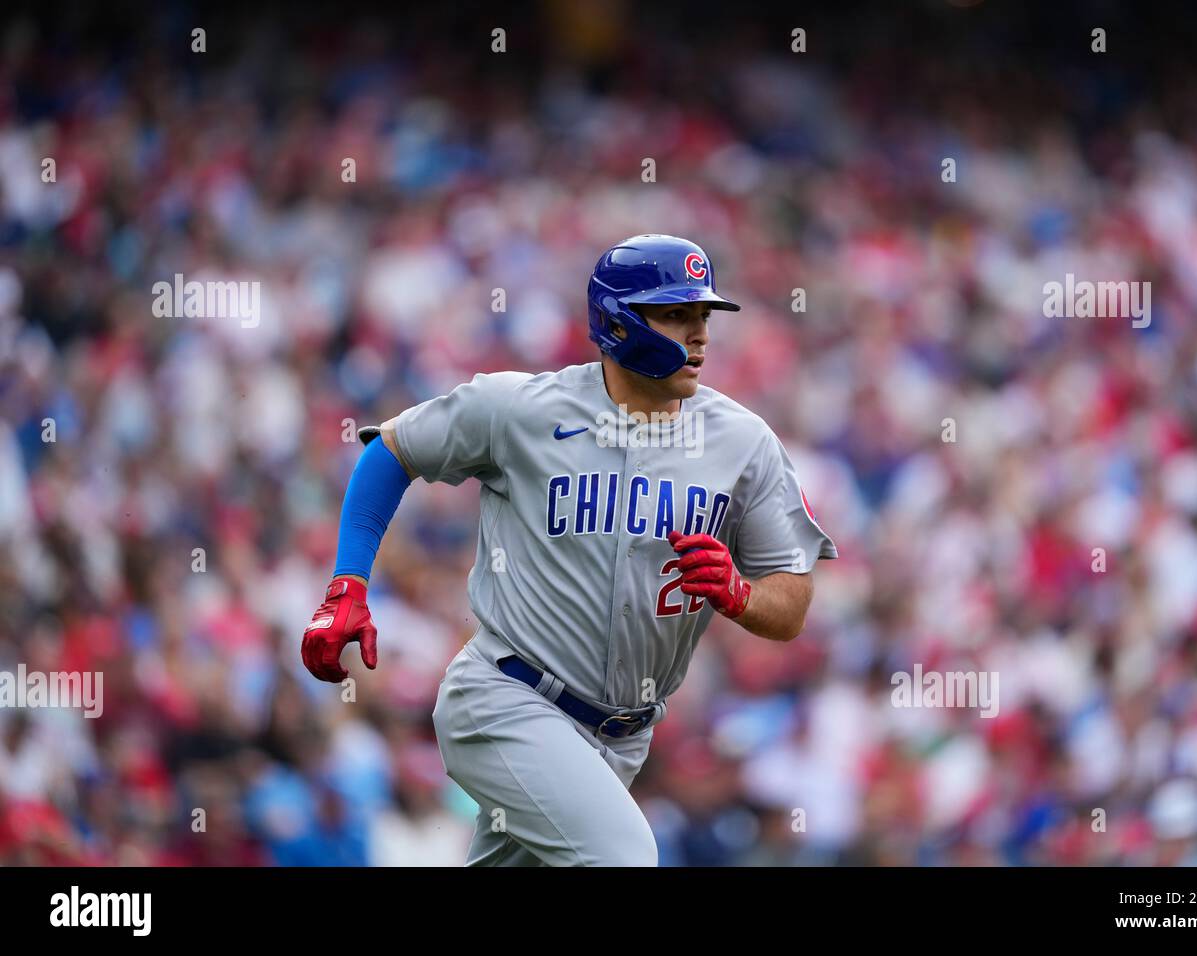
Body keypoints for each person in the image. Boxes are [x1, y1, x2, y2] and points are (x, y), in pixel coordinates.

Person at [301, 234, 837, 865]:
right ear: (617, 322)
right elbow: (392, 451)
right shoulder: (519, 409)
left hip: (622, 738)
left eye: (703, 315)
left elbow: (791, 605)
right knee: (624, 857)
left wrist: (741, 596)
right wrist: (349, 582)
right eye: (676, 314)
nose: (699, 335)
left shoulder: (745, 443)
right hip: (505, 701)